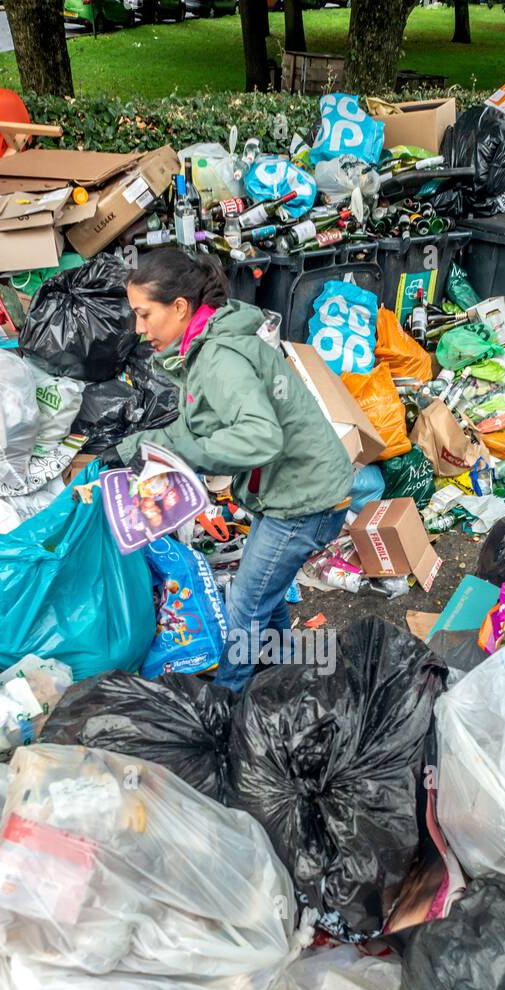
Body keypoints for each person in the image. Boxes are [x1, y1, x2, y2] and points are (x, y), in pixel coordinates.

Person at [110, 247, 355, 691]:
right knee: (264, 592)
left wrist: (181, 453)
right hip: (284, 487)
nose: (139, 328)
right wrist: (137, 449)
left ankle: (228, 699)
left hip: (304, 497)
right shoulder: (203, 347)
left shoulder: (220, 357)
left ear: (180, 307)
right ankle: (283, 673)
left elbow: (260, 437)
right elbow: (195, 423)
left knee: (245, 604)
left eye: (145, 315)